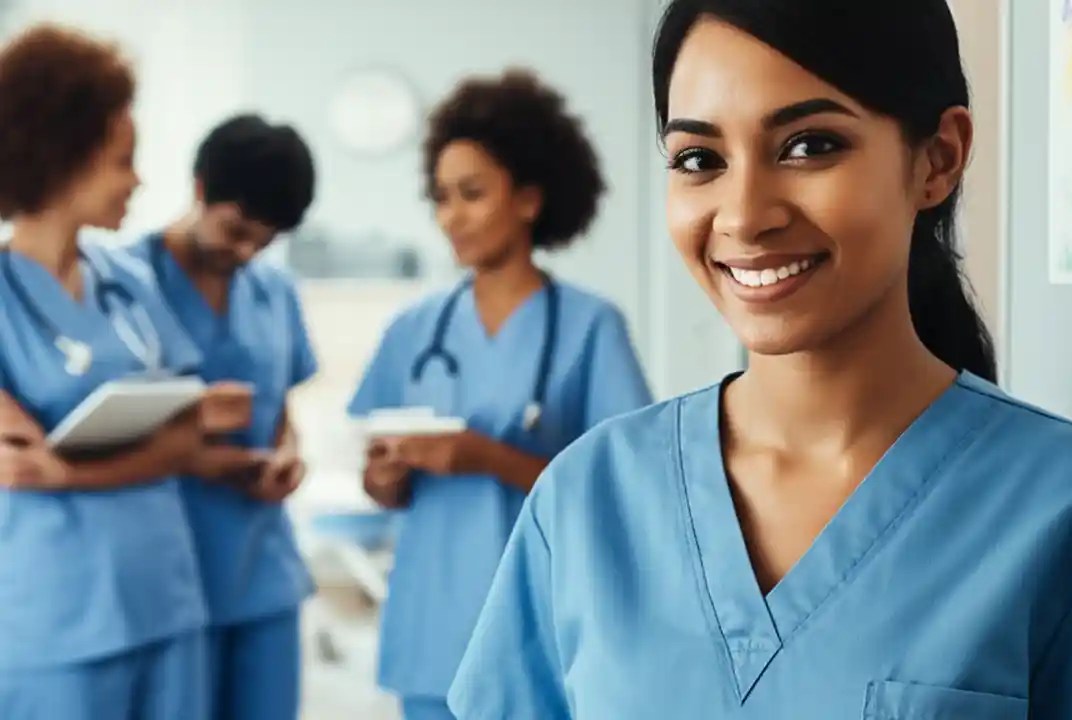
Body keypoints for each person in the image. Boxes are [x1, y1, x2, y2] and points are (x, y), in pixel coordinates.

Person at [447, 1, 1072, 718]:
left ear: (938, 159)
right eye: (698, 159)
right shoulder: (586, 504)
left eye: (809, 145)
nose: (746, 215)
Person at [348, 68, 653, 720]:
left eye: (472, 193)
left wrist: (485, 457)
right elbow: (378, 488)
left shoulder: (588, 326)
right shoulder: (413, 330)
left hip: (540, 623)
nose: (451, 216)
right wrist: (385, 475)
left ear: (529, 199)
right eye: (440, 197)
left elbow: (621, 487)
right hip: (431, 628)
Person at [0, 24, 248, 720]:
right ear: (60, 159)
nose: (139, 180)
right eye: (123, 160)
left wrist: (67, 471)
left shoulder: (128, 281)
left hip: (165, 598)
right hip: (54, 620)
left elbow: (184, 442)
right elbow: (14, 460)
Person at [127, 114, 318, 720]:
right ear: (201, 187)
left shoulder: (273, 292)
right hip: (169, 567)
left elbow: (279, 403)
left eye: (263, 241)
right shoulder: (123, 284)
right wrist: (200, 457)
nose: (246, 252)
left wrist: (287, 453)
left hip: (262, 570)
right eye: (236, 230)